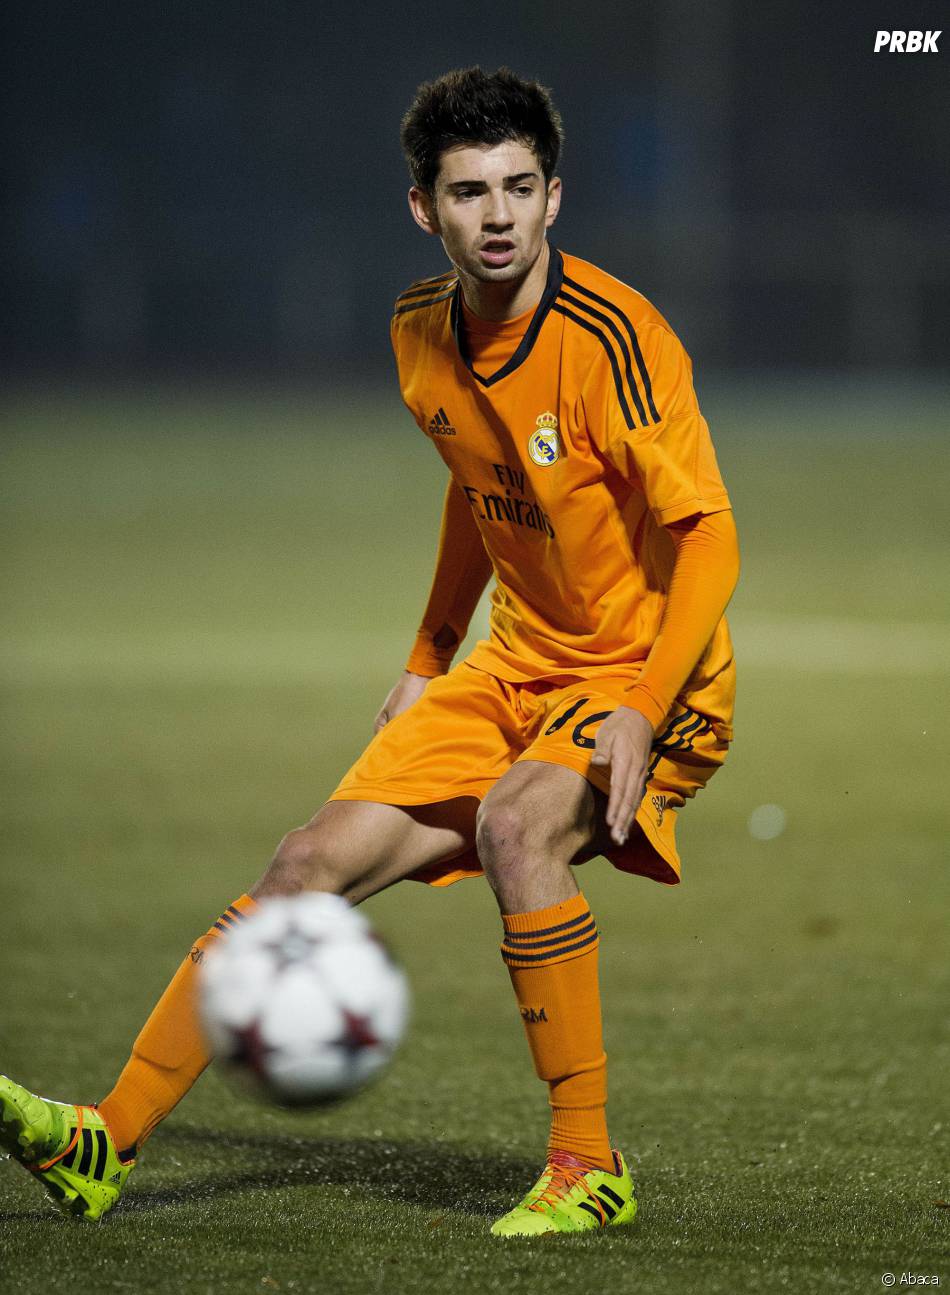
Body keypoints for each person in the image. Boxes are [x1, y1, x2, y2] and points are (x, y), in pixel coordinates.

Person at [0, 66, 739, 1237]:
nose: (495, 216)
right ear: (421, 207)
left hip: (651, 671)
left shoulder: (615, 337)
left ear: (554, 197)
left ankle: (588, 1167)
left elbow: (707, 535)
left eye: (518, 187)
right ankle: (107, 1136)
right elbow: (478, 487)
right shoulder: (417, 329)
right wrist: (429, 653)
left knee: (515, 827)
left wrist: (645, 703)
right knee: (304, 865)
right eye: (467, 192)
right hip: (514, 666)